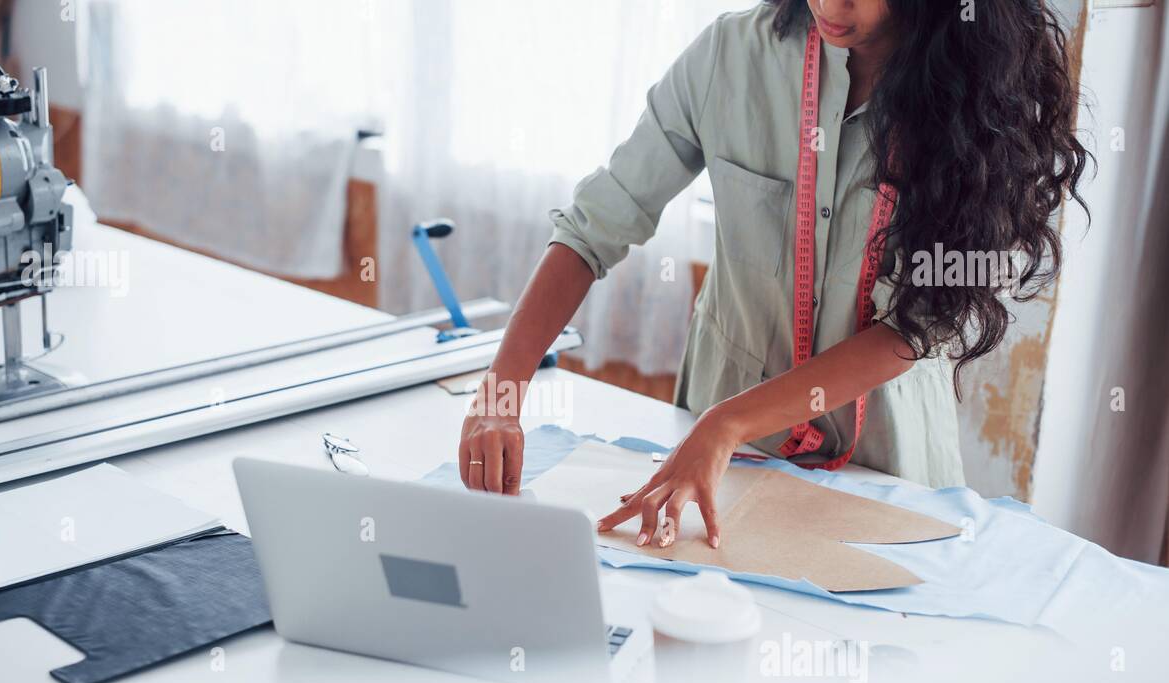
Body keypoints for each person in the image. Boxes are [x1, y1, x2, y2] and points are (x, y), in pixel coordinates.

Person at [458, 0, 1090, 550]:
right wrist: (500, 395)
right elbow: (595, 224)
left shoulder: (980, 108)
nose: (831, 4)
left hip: (884, 466)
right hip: (708, 456)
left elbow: (920, 325)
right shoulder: (728, 59)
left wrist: (728, 423)